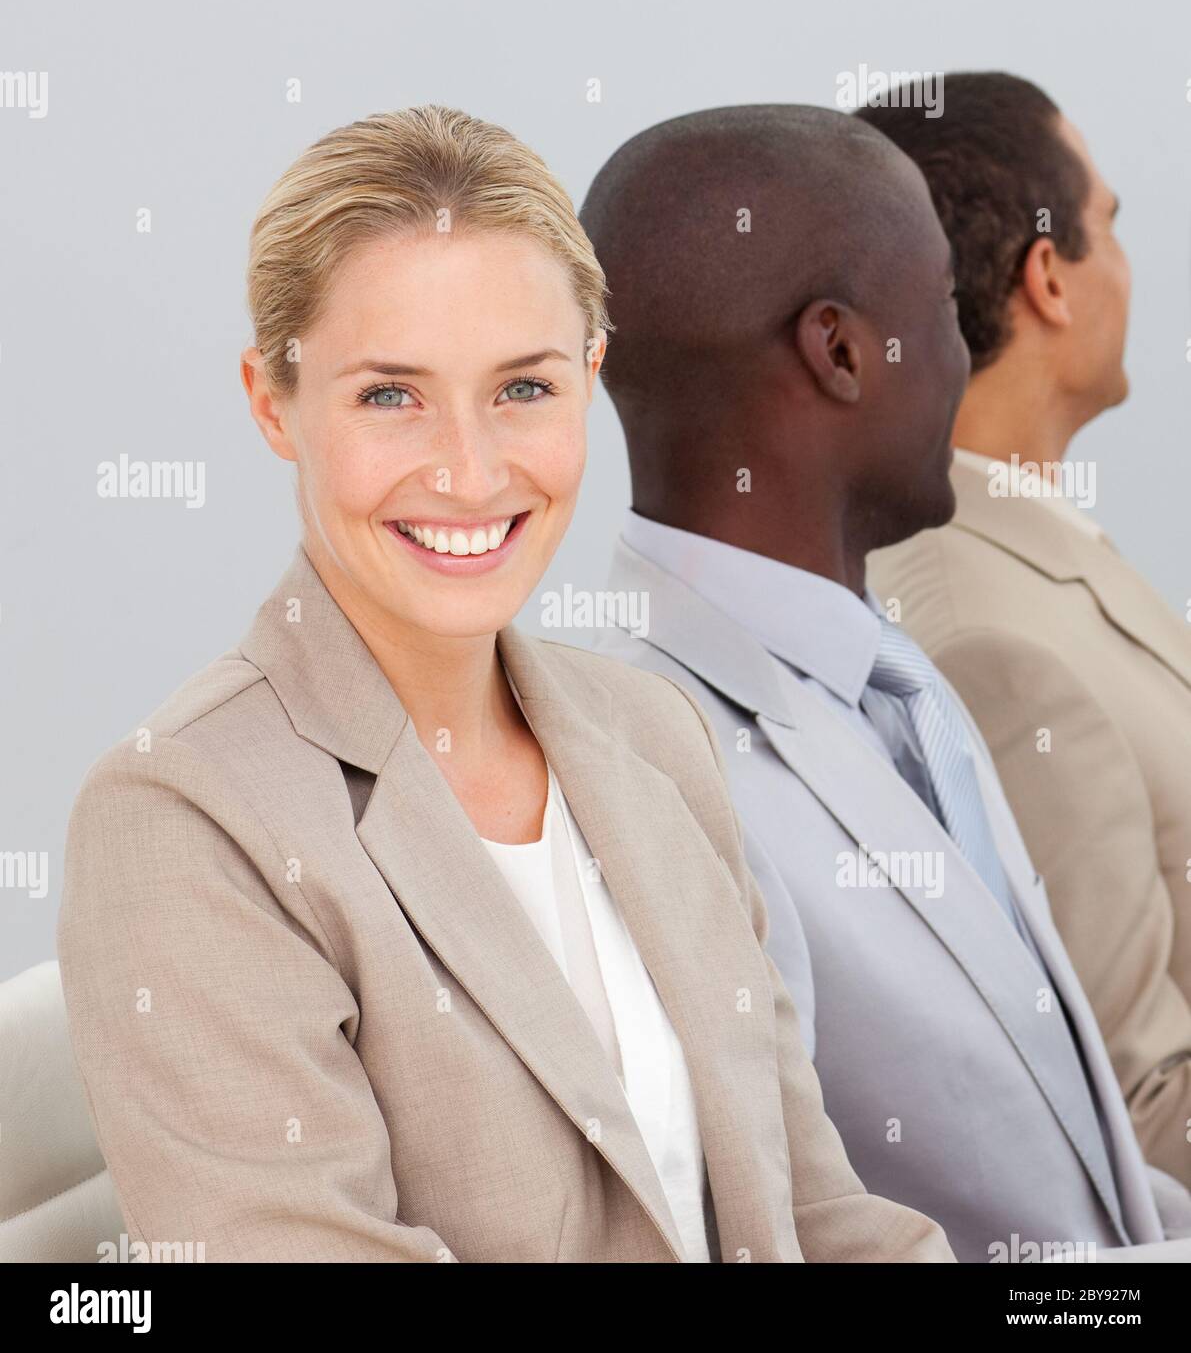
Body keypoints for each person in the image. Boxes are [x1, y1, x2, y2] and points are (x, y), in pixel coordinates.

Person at [56, 105, 951, 1264]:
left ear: (591, 377)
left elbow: (818, 1219)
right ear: (272, 402)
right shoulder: (186, 817)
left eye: (522, 388)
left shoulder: (653, 733)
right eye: (390, 394)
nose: (470, 473)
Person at [582, 102, 1191, 1261]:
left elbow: (1095, 1195)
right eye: (944, 317)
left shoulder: (892, 682)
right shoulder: (654, 770)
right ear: (843, 351)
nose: (966, 362)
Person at [860, 74, 1191, 1190]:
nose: (1130, 267)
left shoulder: (1039, 557)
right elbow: (1139, 1113)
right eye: (1108, 228)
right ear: (1048, 276)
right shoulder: (986, 640)